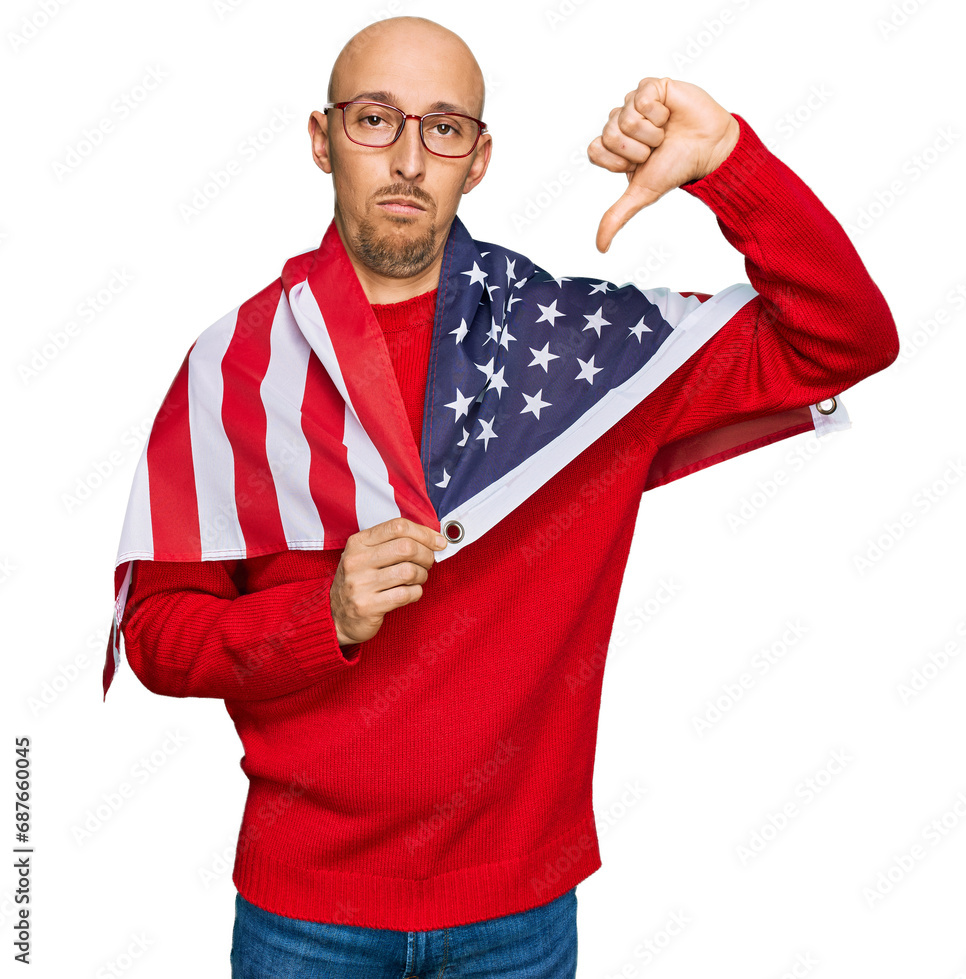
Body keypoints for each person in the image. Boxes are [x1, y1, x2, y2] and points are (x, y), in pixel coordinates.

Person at [107, 14, 898, 979]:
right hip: (303, 916)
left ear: (478, 161)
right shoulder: (233, 368)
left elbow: (844, 339)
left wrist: (727, 161)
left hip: (517, 917)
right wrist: (326, 616)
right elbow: (156, 634)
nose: (406, 157)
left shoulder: (586, 360)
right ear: (321, 139)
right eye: (373, 120)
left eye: (442, 128)